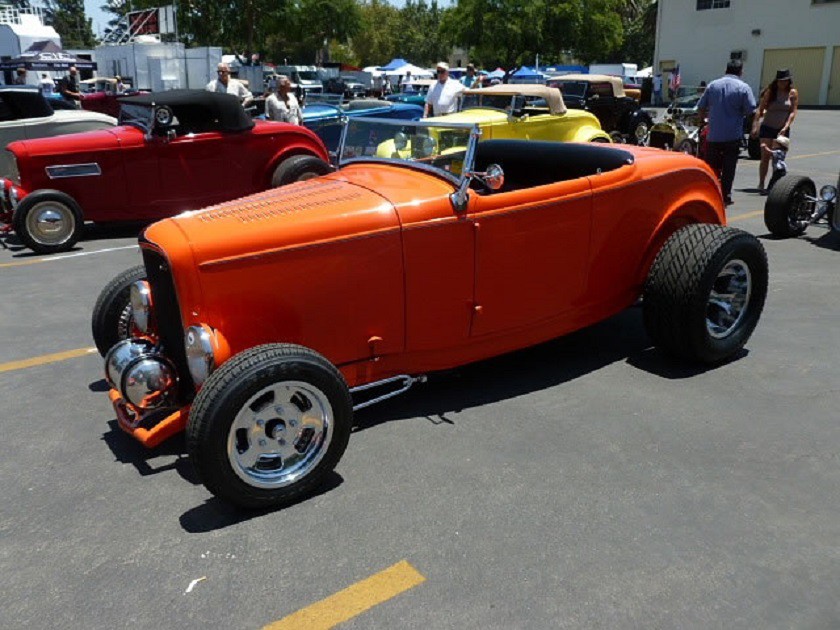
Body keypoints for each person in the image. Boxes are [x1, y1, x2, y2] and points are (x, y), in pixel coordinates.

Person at [696, 59, 756, 206]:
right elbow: (751, 111)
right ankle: (725, 195)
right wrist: (752, 127)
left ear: (725, 70)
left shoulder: (713, 85)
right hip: (732, 135)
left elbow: (701, 107)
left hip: (714, 135)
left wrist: (702, 122)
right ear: (741, 72)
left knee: (711, 166)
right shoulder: (743, 87)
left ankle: (710, 192)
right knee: (729, 167)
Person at [752, 68, 798, 193]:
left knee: (778, 158)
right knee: (765, 157)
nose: (783, 83)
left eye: (785, 81)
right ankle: (761, 183)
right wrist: (755, 126)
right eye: (780, 81)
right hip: (768, 127)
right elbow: (760, 110)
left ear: (789, 81)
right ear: (776, 81)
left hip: (782, 130)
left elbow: (793, 112)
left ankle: (774, 185)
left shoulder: (792, 93)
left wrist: (786, 127)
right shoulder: (770, 92)